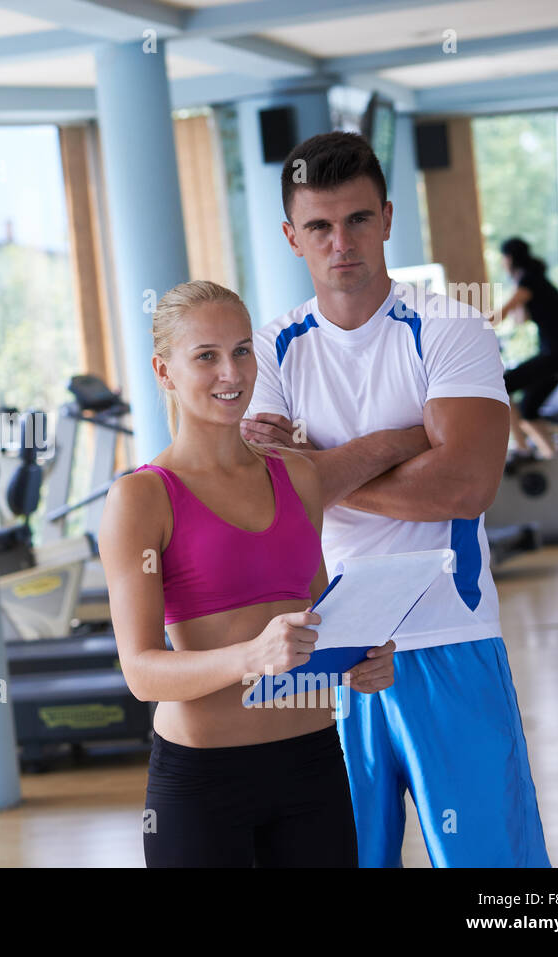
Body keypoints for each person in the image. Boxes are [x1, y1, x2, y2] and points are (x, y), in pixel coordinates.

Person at [240, 131, 550, 867]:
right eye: (318, 225)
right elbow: (267, 505)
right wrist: (397, 441)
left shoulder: (450, 328)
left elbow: (467, 485)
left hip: (449, 635)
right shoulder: (271, 347)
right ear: (292, 237)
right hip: (324, 652)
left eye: (355, 220)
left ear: (385, 217)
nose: (339, 241)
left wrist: (314, 469)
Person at [99, 280, 400, 867]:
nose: (230, 372)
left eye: (241, 350)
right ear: (165, 372)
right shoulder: (141, 497)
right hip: (203, 784)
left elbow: (318, 623)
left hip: (312, 765)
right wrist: (249, 657)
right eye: (205, 356)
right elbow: (140, 672)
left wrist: (361, 657)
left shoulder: (298, 478)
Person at [490, 237, 558, 459]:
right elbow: (520, 319)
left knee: (502, 384)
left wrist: (470, 325)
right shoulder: (533, 280)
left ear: (509, 258)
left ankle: (522, 449)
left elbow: (500, 315)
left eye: (503, 259)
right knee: (528, 410)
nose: (502, 263)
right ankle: (554, 458)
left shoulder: (530, 281)